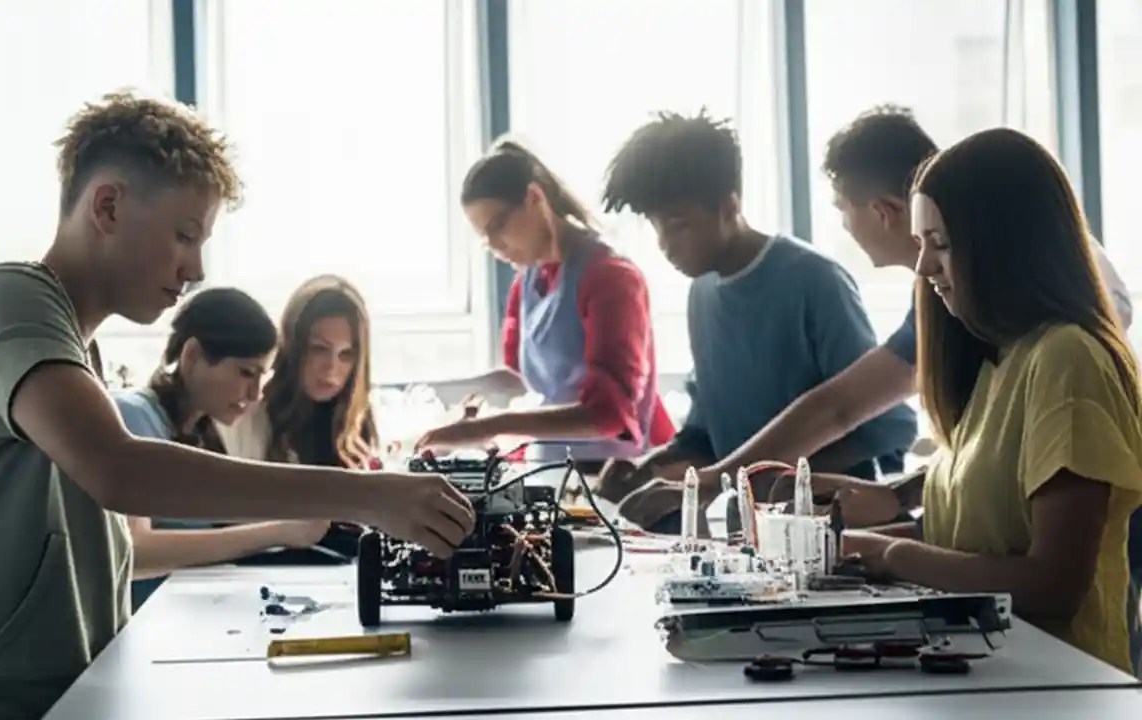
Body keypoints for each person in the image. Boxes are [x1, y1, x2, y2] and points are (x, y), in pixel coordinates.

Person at [0, 91, 473, 720]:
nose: (197, 267)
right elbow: (121, 471)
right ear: (107, 205)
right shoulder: (7, 307)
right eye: (185, 235)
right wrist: (368, 495)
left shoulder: (75, 349)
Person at [605, 105, 1135, 530]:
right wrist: (894, 498)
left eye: (842, 209)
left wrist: (726, 483)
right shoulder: (940, 291)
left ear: (883, 210)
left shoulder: (1022, 304)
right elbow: (982, 452)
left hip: (1085, 529)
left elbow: (844, 408)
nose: (927, 264)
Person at [840, 127, 1142, 674]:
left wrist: (896, 555)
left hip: (1060, 688)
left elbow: (1053, 584)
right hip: (990, 675)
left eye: (943, 244)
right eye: (922, 243)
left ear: (1006, 244)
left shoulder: (1066, 358)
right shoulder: (995, 363)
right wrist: (845, 545)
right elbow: (976, 538)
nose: (923, 267)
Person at [597, 110, 918, 532]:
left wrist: (769, 481)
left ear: (730, 206)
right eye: (656, 228)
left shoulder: (815, 280)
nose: (665, 246)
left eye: (678, 226)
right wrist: (649, 467)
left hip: (826, 527)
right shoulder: (701, 294)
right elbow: (708, 434)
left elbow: (881, 425)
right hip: (743, 526)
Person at [415, 140, 675, 464]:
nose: (495, 245)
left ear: (535, 198)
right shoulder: (527, 282)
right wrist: (432, 400)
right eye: (485, 236)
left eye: (498, 226)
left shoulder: (611, 279)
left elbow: (610, 414)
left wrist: (488, 428)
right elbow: (522, 378)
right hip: (551, 467)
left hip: (616, 475)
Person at [113, 287, 330, 610]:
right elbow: (135, 551)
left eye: (261, 377)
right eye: (245, 372)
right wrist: (278, 532)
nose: (256, 394)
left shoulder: (193, 433)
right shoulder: (131, 415)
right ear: (192, 356)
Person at [218, 274, 379, 562]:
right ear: (294, 346)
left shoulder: (357, 423)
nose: (331, 368)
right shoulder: (250, 416)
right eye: (319, 349)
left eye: (346, 354)